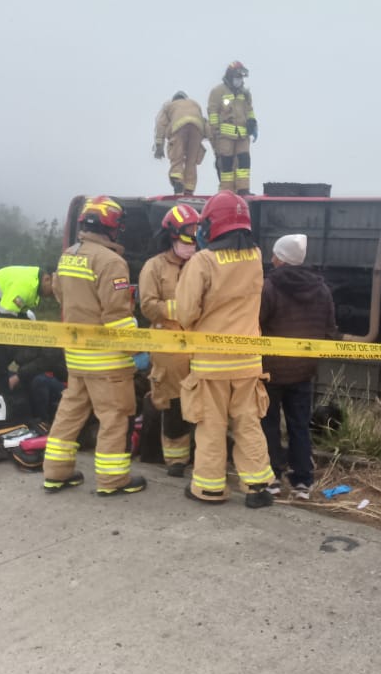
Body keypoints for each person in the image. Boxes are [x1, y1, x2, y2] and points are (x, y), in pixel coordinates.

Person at [175, 190, 275, 507]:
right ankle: (258, 486)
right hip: (248, 359)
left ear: (212, 225)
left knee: (211, 426)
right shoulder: (256, 257)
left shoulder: (202, 261)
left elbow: (185, 312)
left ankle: (209, 488)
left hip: (211, 362)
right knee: (248, 422)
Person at [42, 196, 147, 496]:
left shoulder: (68, 255)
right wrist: (137, 349)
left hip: (76, 356)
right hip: (107, 361)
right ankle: (113, 480)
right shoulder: (111, 262)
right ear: (113, 228)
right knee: (114, 417)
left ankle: (56, 473)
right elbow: (116, 317)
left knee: (69, 413)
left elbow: (62, 297)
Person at [259, 234, 339, 499]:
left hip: (270, 370)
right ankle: (303, 481)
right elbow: (329, 330)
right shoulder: (322, 289)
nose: (271, 259)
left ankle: (271, 478)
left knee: (268, 424)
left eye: (274, 254)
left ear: (280, 258)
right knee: (299, 425)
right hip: (304, 371)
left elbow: (256, 324)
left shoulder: (268, 287)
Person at [138, 203, 200, 477]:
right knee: (173, 404)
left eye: (196, 233)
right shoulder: (155, 267)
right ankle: (175, 461)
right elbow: (148, 305)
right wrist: (181, 309)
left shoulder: (200, 264)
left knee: (202, 402)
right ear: (172, 235)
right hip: (168, 347)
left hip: (199, 343)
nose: (192, 241)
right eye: (187, 234)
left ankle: (203, 457)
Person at [0, 266, 56, 405]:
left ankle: (4, 405)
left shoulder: (33, 283)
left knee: (1, 367)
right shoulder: (26, 285)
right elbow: (5, 317)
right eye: (54, 289)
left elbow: (18, 315)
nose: (54, 295)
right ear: (47, 278)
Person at [207, 61, 257, 195]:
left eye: (241, 78)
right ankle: (226, 192)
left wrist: (253, 121)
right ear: (230, 77)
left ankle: (243, 190)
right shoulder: (218, 92)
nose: (239, 81)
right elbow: (213, 113)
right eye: (237, 78)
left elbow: (249, 110)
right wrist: (215, 133)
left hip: (243, 136)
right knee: (226, 166)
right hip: (225, 137)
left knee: (244, 162)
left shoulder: (245, 93)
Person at [153, 91, 207, 196]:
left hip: (179, 128)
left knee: (177, 156)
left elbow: (161, 125)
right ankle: (189, 189)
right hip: (197, 129)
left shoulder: (169, 106)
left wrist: (159, 145)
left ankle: (178, 182)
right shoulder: (194, 104)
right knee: (191, 161)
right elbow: (205, 123)